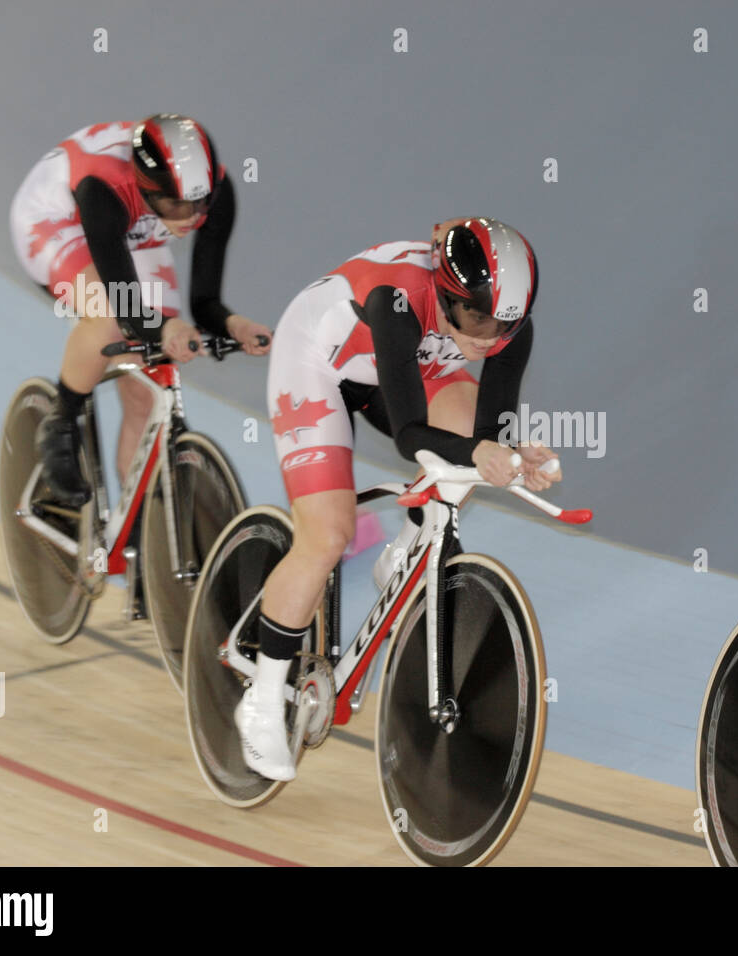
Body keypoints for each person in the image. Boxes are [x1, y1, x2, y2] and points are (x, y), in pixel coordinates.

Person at [238, 217, 559, 780]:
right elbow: (410, 434)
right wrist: (478, 452)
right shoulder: (398, 298)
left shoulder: (509, 329)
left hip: (410, 361)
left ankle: (409, 546)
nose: (488, 337)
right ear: (445, 293)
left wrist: (512, 457)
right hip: (318, 361)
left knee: (469, 457)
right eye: (475, 317)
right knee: (328, 535)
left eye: (505, 322)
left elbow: (489, 433)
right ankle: (261, 700)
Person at [9, 113, 271, 509]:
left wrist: (234, 324)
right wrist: (164, 327)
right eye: (174, 204)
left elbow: (205, 304)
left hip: (135, 233)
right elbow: (128, 310)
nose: (189, 218)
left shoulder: (218, 192)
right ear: (147, 187)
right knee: (110, 319)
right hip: (56, 222)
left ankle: (141, 525)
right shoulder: (104, 188)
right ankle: (60, 421)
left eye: (199, 204)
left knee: (148, 392)